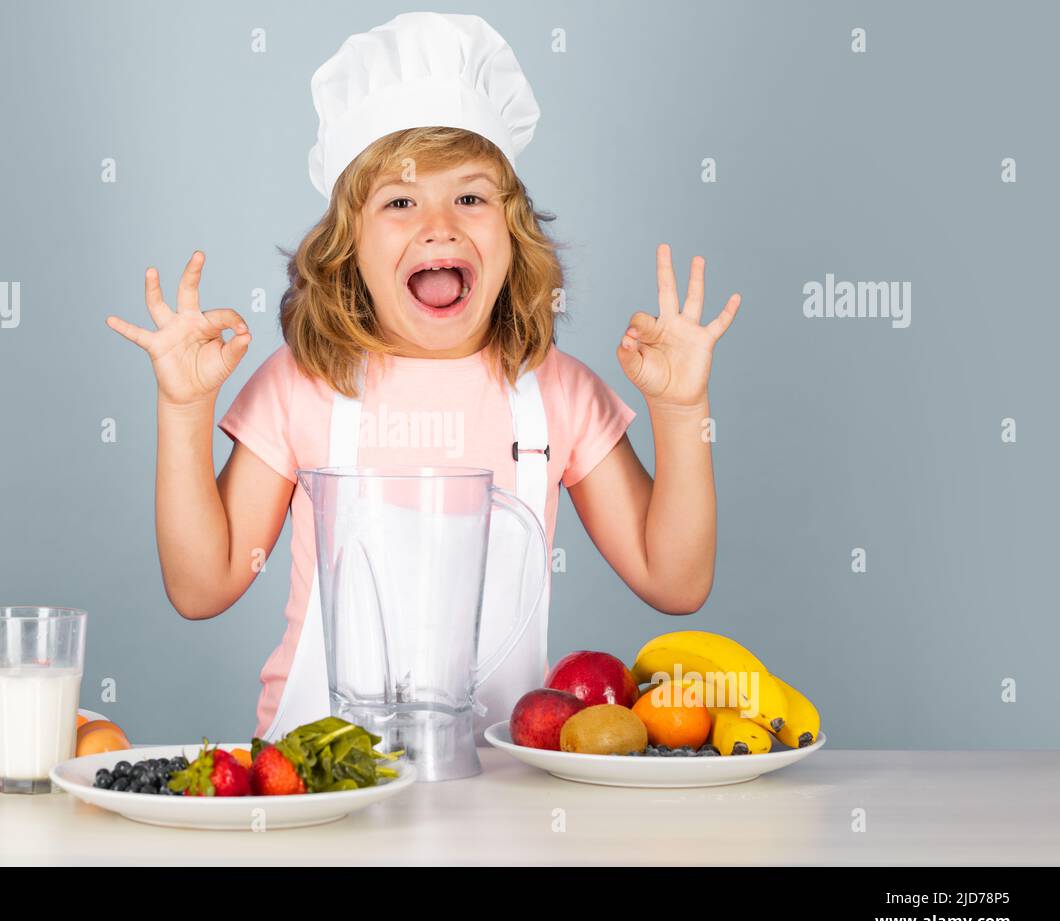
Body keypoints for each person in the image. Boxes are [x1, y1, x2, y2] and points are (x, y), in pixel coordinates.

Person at [106, 13, 742, 740]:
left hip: (502, 793)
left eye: (470, 197)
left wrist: (682, 407)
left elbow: (677, 581)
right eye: (400, 202)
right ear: (348, 250)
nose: (439, 225)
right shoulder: (302, 385)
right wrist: (184, 408)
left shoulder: (555, 394)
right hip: (318, 787)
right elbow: (200, 587)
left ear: (514, 237)